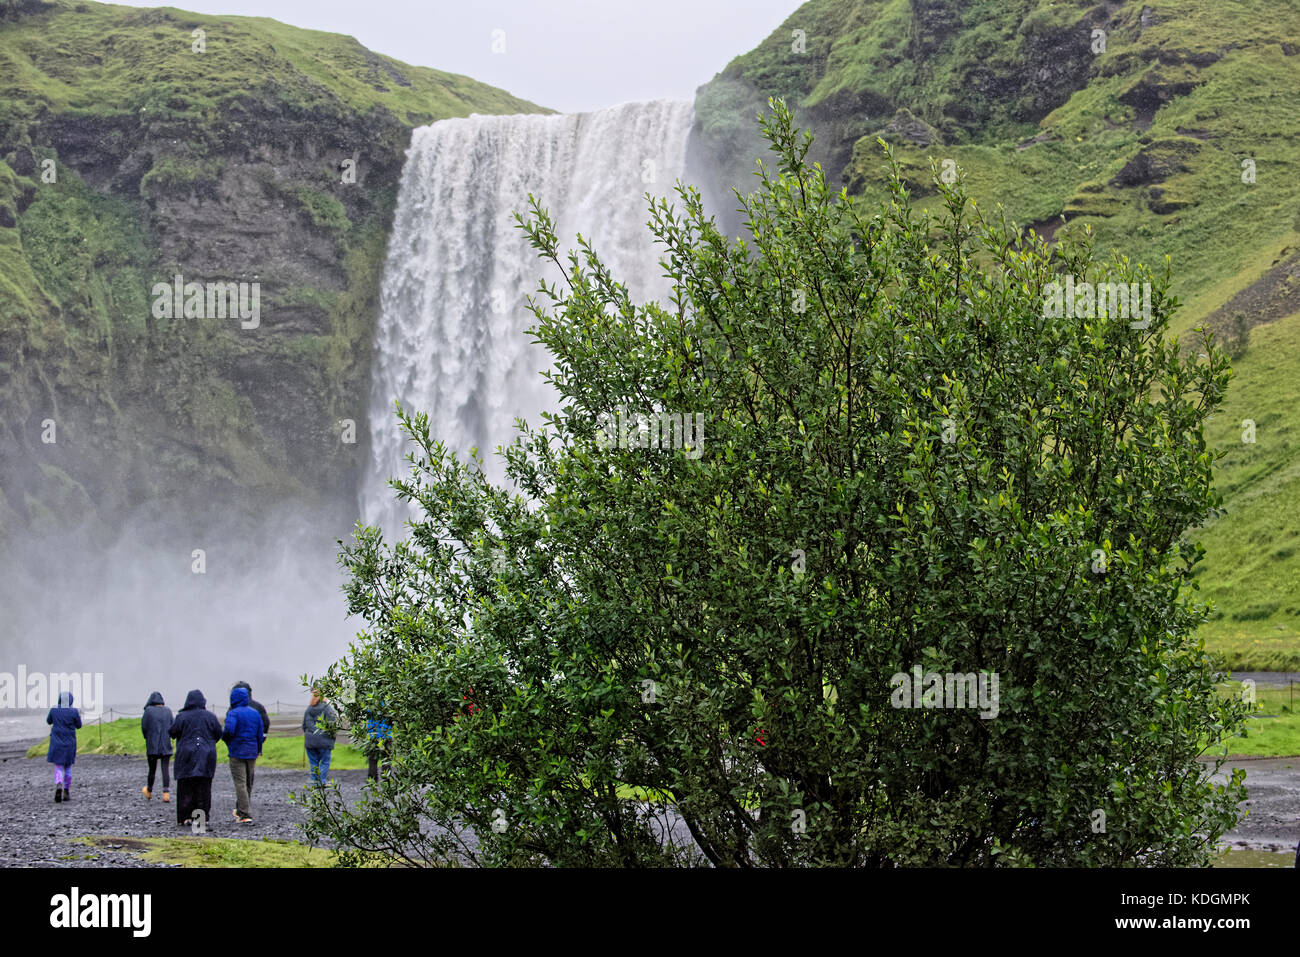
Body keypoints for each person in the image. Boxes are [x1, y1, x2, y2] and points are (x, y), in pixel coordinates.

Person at [168, 689, 223, 828]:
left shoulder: (182, 716)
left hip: (185, 755)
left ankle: (185, 817)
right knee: (204, 787)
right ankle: (201, 818)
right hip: (206, 754)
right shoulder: (210, 716)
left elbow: (172, 732)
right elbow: (218, 733)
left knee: (185, 786)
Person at [223, 685, 265, 823]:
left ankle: (245, 813)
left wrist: (227, 741)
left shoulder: (233, 713)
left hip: (236, 751)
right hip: (252, 751)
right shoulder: (255, 713)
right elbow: (260, 733)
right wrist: (259, 749)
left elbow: (229, 731)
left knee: (240, 782)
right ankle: (242, 808)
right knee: (248, 781)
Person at [231, 680, 270, 795]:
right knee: (249, 774)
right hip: (253, 746)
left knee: (240, 777)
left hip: (237, 748)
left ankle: (243, 804)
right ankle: (247, 797)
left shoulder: (233, 708)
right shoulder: (258, 707)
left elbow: (229, 729)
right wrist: (260, 743)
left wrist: (230, 743)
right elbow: (265, 724)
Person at [46, 690, 81, 803]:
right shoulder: (74, 711)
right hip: (70, 743)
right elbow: (79, 725)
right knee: (68, 768)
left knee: (59, 767)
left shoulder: (54, 710)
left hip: (57, 742)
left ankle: (58, 784)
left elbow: (48, 721)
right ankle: (66, 790)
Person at [140, 691, 174, 802]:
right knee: (165, 769)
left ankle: (149, 791)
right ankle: (166, 794)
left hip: (152, 745)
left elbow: (144, 727)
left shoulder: (148, 711)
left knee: (152, 770)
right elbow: (172, 726)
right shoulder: (168, 711)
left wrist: (147, 737)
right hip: (166, 744)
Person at [302, 688, 337, 786]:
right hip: (325, 740)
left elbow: (304, 726)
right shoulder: (328, 709)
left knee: (313, 762)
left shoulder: (309, 709)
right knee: (325, 762)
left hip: (310, 741)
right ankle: (322, 781)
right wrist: (332, 738)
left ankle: (314, 780)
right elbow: (333, 725)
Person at [365, 707, 392, 782]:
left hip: (373, 735)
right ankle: (386, 780)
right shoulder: (387, 703)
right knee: (386, 759)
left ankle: (372, 780)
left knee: (372, 759)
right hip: (386, 735)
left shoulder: (370, 705)